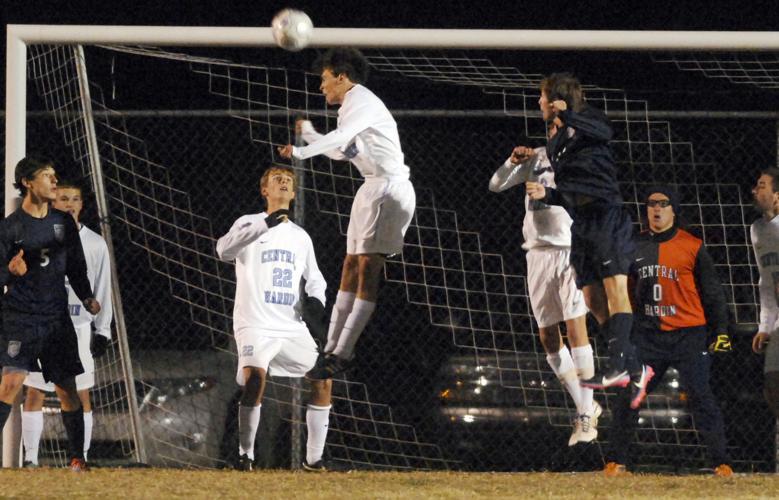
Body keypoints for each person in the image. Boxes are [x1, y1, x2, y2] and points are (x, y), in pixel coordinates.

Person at [278, 48, 416, 379]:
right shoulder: (350, 109)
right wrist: (311, 134)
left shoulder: (363, 101)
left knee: (367, 268)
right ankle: (328, 349)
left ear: (342, 77)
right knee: (350, 264)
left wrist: (301, 151)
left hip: (390, 189)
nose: (320, 87)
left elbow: (341, 139)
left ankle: (343, 352)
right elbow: (344, 150)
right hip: (371, 188)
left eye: (324, 79)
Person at [524, 73, 652, 408]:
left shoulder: (589, 120)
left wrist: (568, 114)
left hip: (607, 216)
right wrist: (549, 195)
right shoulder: (555, 143)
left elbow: (605, 133)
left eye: (541, 97)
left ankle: (620, 364)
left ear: (555, 99)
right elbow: (571, 189)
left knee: (615, 291)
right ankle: (635, 364)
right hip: (581, 224)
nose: (538, 103)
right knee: (594, 301)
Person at [603, 186, 733, 477]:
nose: (656, 209)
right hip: (649, 337)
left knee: (701, 396)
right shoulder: (633, 246)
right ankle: (616, 461)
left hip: (689, 335)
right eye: (651, 204)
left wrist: (721, 329)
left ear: (673, 209)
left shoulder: (692, 245)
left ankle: (721, 463)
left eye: (663, 204)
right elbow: (624, 292)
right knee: (630, 395)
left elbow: (712, 292)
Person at [216, 165, 333, 471]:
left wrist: (316, 303)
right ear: (264, 190)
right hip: (254, 323)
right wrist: (265, 224)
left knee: (322, 379)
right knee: (255, 380)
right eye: (276, 180)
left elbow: (316, 278)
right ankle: (245, 456)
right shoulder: (248, 223)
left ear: (293, 194)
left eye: (288, 182)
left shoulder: (300, 237)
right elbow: (224, 250)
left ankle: (314, 460)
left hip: (290, 326)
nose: (283, 183)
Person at [489, 132, 600, 446]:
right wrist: (512, 162)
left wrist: (551, 191)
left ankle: (584, 415)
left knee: (576, 326)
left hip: (570, 250)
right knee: (548, 336)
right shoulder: (536, 156)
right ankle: (586, 404)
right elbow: (496, 185)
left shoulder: (584, 160)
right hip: (537, 253)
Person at [0, 157, 101, 471]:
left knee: (66, 387)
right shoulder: (10, 227)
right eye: (47, 176)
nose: (54, 182)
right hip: (21, 317)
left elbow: (76, 266)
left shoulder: (63, 222)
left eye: (55, 176)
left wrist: (86, 296)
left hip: (57, 318)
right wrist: (9, 272)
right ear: (28, 183)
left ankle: (77, 460)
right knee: (11, 382)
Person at [21, 179, 113, 467]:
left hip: (79, 326)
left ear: (82, 205)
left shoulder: (95, 243)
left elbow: (102, 288)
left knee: (80, 392)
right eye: (63, 199)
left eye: (75, 199)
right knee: (34, 390)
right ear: (52, 202)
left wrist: (103, 329)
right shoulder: (39, 237)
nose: (69, 204)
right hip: (44, 324)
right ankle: (31, 459)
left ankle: (80, 458)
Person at [749, 168, 779, 420]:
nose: (755, 191)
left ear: (777, 196)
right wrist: (765, 326)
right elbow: (767, 282)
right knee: (772, 386)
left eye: (761, 186)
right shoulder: (757, 229)